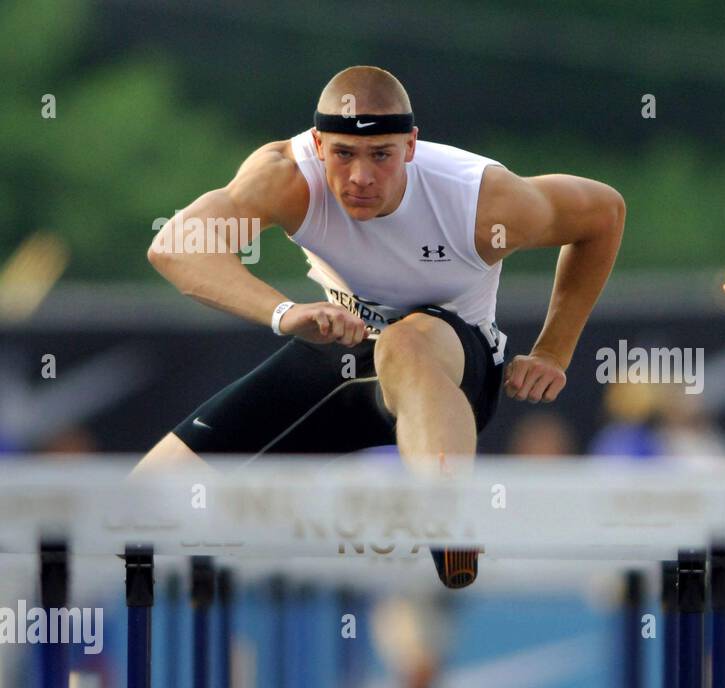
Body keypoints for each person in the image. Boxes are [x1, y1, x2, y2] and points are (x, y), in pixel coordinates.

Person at [135, 66, 625, 587]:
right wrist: (284, 312)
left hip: (448, 367)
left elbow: (604, 215)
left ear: (411, 146)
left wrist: (553, 350)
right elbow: (175, 245)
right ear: (319, 145)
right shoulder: (285, 177)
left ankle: (448, 514)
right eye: (343, 155)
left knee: (403, 340)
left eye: (381, 156)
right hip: (338, 352)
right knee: (137, 507)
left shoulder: (480, 202)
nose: (361, 177)